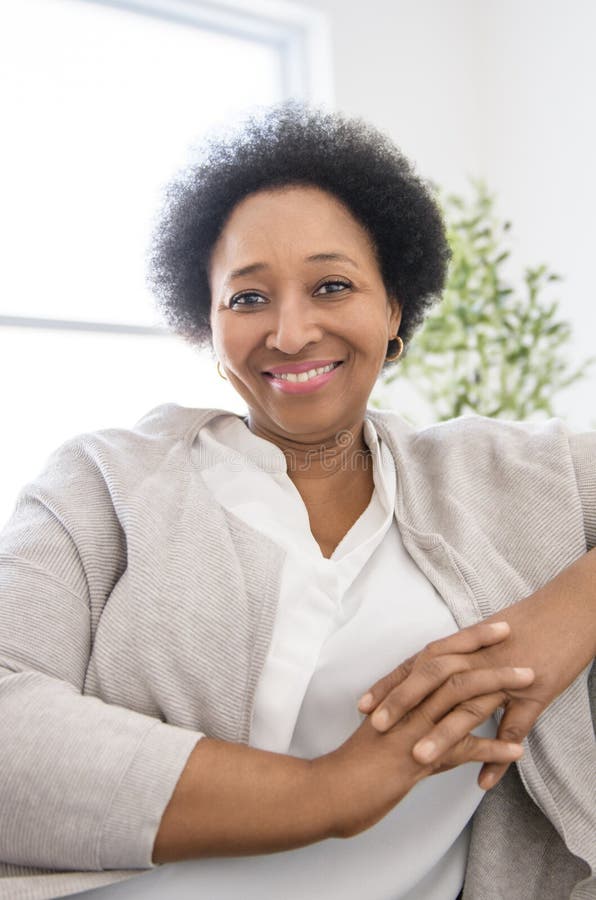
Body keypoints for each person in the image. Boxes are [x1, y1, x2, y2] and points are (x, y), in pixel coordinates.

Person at [0, 101, 594, 900]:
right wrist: (330, 793)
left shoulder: (509, 475)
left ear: (394, 310)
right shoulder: (101, 483)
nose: (289, 332)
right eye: (248, 299)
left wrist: (570, 611)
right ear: (207, 325)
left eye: (332, 285)